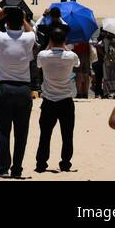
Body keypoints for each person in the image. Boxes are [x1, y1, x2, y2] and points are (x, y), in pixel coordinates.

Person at [0, 7, 35, 179]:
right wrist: (24, 19)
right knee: (21, 132)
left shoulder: (1, 38)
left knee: (3, 131)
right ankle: (17, 168)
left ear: (6, 22)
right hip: (24, 89)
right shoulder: (28, 38)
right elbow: (31, 31)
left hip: (4, 88)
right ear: (22, 21)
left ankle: (2, 168)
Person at [34, 27, 79, 173]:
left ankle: (41, 163)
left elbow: (39, 64)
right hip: (66, 100)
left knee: (45, 134)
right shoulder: (71, 56)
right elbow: (77, 64)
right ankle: (65, 163)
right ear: (64, 40)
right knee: (67, 135)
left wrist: (49, 46)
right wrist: (64, 47)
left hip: (49, 100)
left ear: (51, 40)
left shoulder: (43, 55)